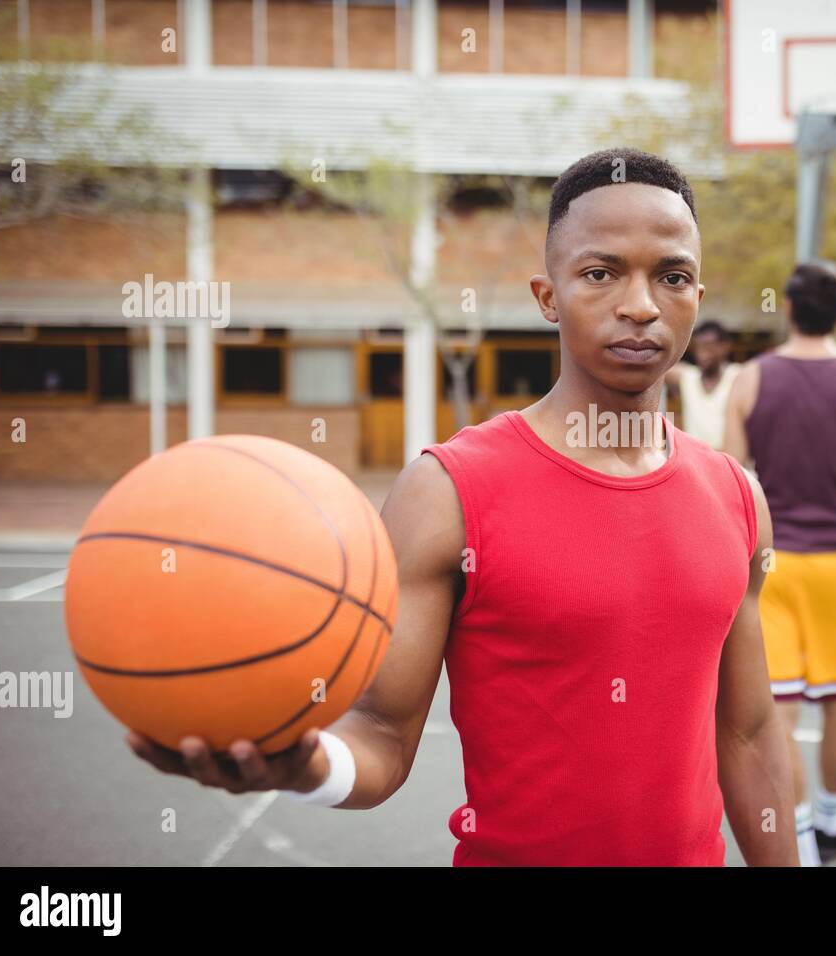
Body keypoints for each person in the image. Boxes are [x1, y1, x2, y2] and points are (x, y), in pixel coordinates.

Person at [125, 147, 799, 867]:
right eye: (601, 274)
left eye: (672, 277)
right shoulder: (449, 492)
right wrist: (308, 766)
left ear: (697, 296)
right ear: (548, 296)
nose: (639, 305)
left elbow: (751, 732)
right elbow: (380, 732)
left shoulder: (737, 496)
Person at [723, 261, 836, 865]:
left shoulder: (748, 380)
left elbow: (732, 485)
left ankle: (799, 836)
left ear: (790, 309)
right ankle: (831, 819)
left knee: (779, 708)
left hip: (771, 562)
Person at [663, 319, 741, 450]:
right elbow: (657, 368)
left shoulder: (738, 377)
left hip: (731, 461)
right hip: (697, 462)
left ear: (725, 347)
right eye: (698, 347)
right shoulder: (688, 377)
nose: (702, 353)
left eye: (708, 346)